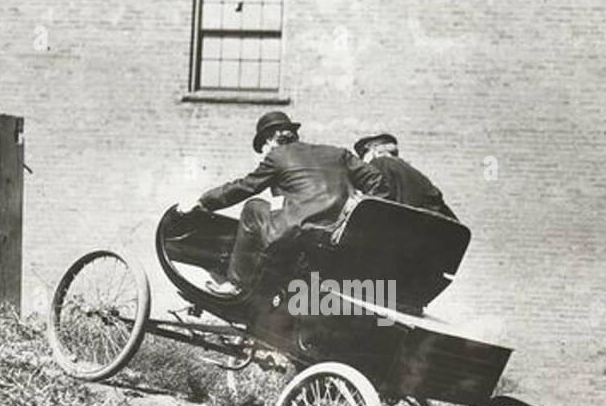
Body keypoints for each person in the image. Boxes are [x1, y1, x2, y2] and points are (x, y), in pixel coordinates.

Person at [185, 111, 387, 295]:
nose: (264, 153)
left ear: (270, 140)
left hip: (302, 232)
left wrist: (203, 201)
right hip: (340, 233)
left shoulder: (277, 156)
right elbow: (378, 180)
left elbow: (244, 187)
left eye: (263, 147)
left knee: (253, 207)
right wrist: (362, 206)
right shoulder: (337, 153)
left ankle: (236, 284)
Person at [353, 132, 458, 220]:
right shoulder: (416, 174)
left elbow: (379, 200)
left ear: (374, 152)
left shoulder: (379, 163)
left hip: (405, 224)